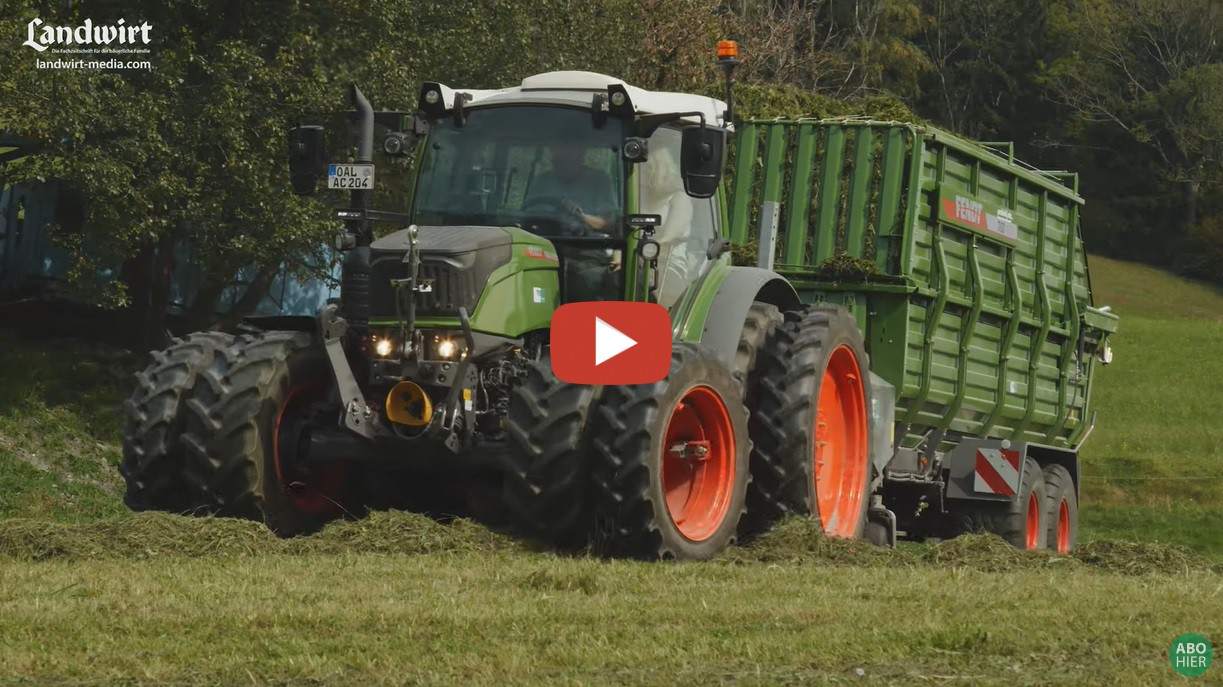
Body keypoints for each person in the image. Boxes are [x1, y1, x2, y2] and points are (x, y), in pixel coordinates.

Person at [639, 147, 694, 307]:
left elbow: (669, 237)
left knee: (642, 284)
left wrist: (641, 255)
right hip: (636, 259)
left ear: (660, 171)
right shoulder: (639, 198)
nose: (642, 173)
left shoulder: (678, 199)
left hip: (667, 264)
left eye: (647, 168)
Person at [525, 142, 618, 235]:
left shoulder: (598, 180)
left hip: (589, 245)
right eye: (558, 159)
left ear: (581, 157)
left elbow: (609, 224)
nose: (562, 162)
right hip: (544, 243)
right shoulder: (542, 181)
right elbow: (526, 215)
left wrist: (579, 215)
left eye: (567, 159)